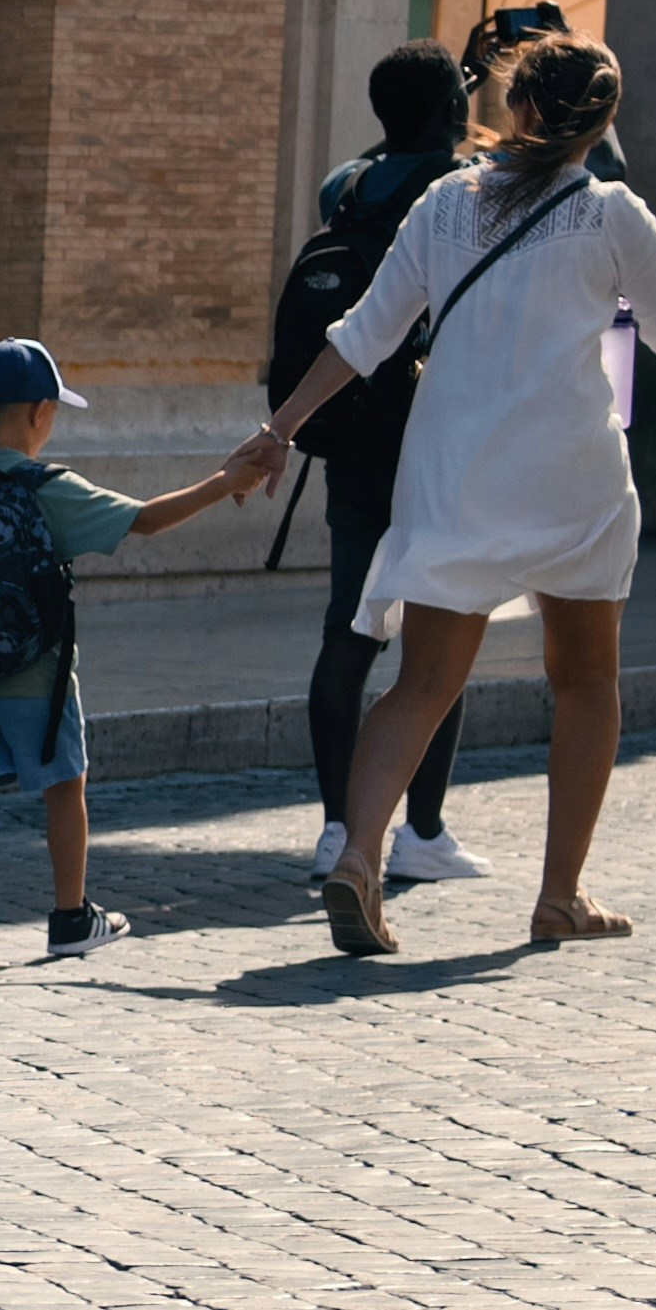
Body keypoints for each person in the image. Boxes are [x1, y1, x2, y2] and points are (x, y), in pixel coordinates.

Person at [227, 33, 656, 959]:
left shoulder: (444, 204)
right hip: (571, 479)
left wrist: (278, 428)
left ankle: (360, 856)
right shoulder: (611, 212)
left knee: (421, 681)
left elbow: (363, 335)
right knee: (587, 682)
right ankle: (559, 895)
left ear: (515, 103)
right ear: (599, 121)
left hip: (455, 472)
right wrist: (617, 297)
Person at [0, 339, 273, 953]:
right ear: (40, 414)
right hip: (37, 680)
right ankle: (71, 917)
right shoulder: (49, 488)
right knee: (63, 786)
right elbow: (148, 519)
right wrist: (224, 481)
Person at [264, 46, 492, 895]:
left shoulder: (346, 190)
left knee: (347, 633)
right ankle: (422, 832)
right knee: (442, 635)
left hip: (352, 437)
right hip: (432, 441)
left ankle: (335, 826)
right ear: (447, 107)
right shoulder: (463, 189)